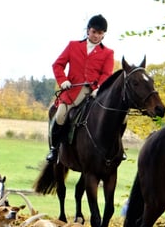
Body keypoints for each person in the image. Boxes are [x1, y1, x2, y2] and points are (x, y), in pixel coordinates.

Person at [45, 14, 114, 163]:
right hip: (72, 91)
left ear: (104, 35)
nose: (96, 36)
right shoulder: (73, 46)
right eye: (94, 32)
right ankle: (55, 150)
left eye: (100, 33)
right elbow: (57, 65)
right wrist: (63, 81)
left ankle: (115, 152)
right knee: (60, 115)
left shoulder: (108, 53)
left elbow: (106, 73)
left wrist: (100, 88)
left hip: (95, 92)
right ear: (88, 30)